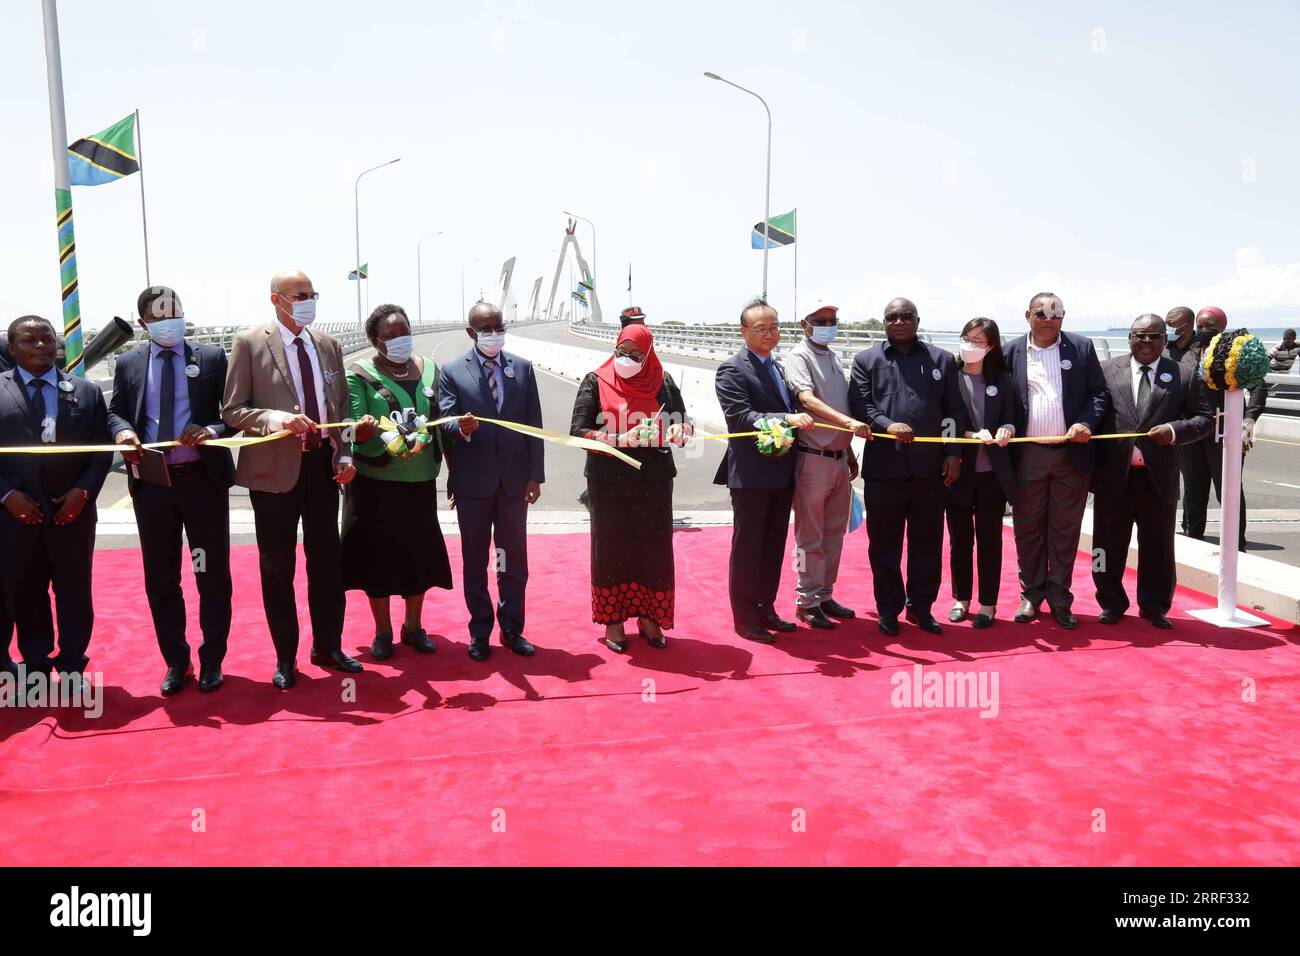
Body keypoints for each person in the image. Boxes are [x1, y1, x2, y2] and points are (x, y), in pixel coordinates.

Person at [222, 270, 373, 689]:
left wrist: (344, 452)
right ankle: (286, 657)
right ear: (276, 300)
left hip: (322, 469)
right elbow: (232, 411)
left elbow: (339, 404)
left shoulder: (328, 345)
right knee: (278, 567)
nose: (309, 301)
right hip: (274, 473)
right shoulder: (249, 344)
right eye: (300, 295)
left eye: (312, 294)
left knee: (327, 563)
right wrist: (276, 419)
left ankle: (329, 646)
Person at [107, 286, 235, 695]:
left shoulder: (212, 358)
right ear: (145, 323)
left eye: (176, 311)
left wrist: (211, 430)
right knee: (162, 579)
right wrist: (124, 430)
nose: (171, 319)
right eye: (161, 315)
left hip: (202, 484)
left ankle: (212, 658)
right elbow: (115, 412)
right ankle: (176, 661)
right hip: (153, 488)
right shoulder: (128, 363)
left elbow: (232, 414)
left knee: (209, 574)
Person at [342, 304, 466, 660]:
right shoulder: (360, 374)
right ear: (376, 341)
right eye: (391, 336)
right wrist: (362, 430)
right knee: (377, 558)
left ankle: (413, 626)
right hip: (374, 482)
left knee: (418, 554)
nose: (400, 340)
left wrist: (454, 473)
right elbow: (351, 427)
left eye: (404, 332)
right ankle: (382, 631)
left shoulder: (429, 370)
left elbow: (443, 424)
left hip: (420, 480)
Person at [0, 315, 111, 687]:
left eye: (47, 339)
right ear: (12, 348)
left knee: (74, 589)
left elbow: (101, 452)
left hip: (72, 514)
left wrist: (83, 493)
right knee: (26, 589)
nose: (41, 346)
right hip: (16, 516)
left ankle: (72, 661)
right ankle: (36, 661)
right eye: (30, 341)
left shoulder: (86, 391)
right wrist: (6, 495)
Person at [569, 323, 692, 652]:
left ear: (649, 354)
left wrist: (681, 431)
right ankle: (614, 621)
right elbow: (577, 432)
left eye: (635, 354)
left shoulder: (662, 381)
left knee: (653, 551)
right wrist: (617, 439)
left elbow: (682, 420)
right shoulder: (595, 381)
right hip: (608, 484)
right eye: (621, 352)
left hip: (653, 482)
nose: (626, 359)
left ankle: (650, 618)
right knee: (612, 551)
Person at [849, 297, 964, 636]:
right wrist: (887, 424)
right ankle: (888, 609)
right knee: (884, 543)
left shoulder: (942, 359)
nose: (899, 321)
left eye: (905, 316)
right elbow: (860, 404)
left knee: (927, 542)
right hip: (885, 470)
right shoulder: (866, 360)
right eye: (891, 317)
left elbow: (953, 409)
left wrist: (953, 453)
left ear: (917, 320)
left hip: (931, 470)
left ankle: (921, 606)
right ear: (884, 322)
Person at [438, 302, 544, 661]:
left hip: (514, 483)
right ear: (471, 332)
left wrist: (535, 475)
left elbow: (534, 426)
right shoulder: (452, 371)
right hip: (473, 483)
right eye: (486, 328)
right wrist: (460, 428)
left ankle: (512, 628)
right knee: (475, 560)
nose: (494, 333)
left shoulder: (523, 369)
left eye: (499, 326)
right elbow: (445, 422)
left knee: (513, 560)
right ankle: (479, 631)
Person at [1092, 315, 1213, 628]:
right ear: (1130, 337)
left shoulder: (1184, 376)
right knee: (1105, 547)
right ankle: (1110, 601)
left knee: (1158, 547)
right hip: (1113, 478)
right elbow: (1092, 414)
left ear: (1165, 339)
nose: (1146, 342)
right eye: (1140, 336)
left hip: (1158, 479)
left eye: (1154, 336)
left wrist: (1174, 430)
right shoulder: (1106, 371)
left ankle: (1154, 605)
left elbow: (1204, 419)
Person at [1003, 292, 1109, 630]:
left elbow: (1099, 393)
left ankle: (1061, 599)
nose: (1049, 319)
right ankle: (1031, 595)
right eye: (1041, 313)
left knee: (1065, 532)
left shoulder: (1080, 347)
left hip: (1070, 456)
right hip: (1028, 455)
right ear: (1027, 315)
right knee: (1028, 530)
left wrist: (1086, 423)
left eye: (1056, 313)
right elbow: (1002, 399)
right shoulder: (1011, 351)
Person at [714, 299, 814, 644]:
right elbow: (742, 417)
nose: (770, 333)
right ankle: (745, 618)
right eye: (761, 328)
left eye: (774, 327)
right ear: (744, 332)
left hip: (783, 471)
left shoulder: (778, 367)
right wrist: (787, 419)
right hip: (752, 474)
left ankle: (766, 607)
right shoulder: (732, 370)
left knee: (774, 545)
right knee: (749, 547)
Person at [784, 303, 871, 629]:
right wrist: (848, 424)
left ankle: (824, 594)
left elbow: (839, 401)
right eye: (820, 321)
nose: (827, 326)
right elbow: (806, 400)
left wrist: (847, 448)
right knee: (809, 538)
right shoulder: (799, 357)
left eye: (833, 321)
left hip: (837, 460)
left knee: (834, 534)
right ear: (806, 324)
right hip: (813, 459)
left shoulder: (833, 357)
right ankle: (806, 600)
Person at [1170, 306, 1266, 551]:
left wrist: (1249, 420)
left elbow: (1258, 387)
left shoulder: (1234, 351)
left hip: (1225, 433)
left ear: (1222, 327)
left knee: (1229, 490)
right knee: (1193, 488)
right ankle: (1193, 540)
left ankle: (1236, 546)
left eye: (1210, 326)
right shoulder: (1188, 354)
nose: (1204, 330)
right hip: (1192, 432)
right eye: (1200, 326)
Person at [945, 318, 1020, 629]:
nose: (971, 345)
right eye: (968, 337)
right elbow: (943, 424)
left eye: (979, 340)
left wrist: (1007, 428)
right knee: (959, 540)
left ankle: (988, 603)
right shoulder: (949, 378)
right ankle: (961, 599)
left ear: (991, 347)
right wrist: (968, 436)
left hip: (992, 475)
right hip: (958, 472)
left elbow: (1015, 418)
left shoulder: (1003, 381)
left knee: (990, 539)